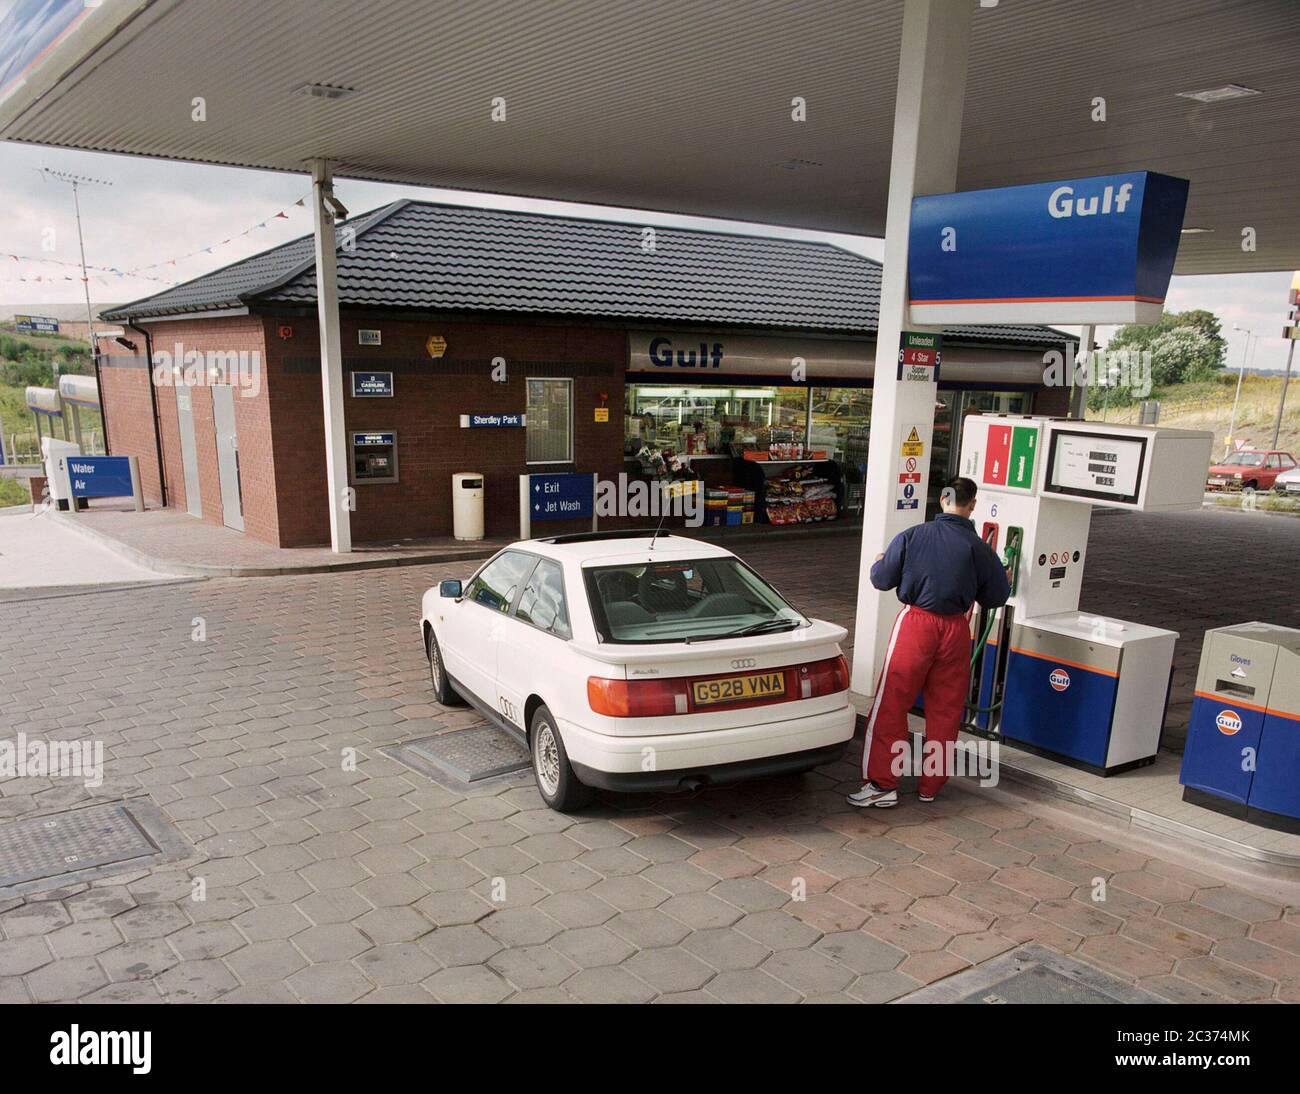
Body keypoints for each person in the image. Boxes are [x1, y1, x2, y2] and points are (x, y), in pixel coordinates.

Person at [848, 475, 1010, 808]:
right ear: (973, 505)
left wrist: (880, 562)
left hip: (917, 624)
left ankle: (882, 784)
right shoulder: (981, 549)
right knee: (946, 709)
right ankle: (930, 787)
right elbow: (996, 596)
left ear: (942, 499)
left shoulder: (913, 536)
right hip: (957, 630)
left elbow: (881, 579)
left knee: (892, 703)